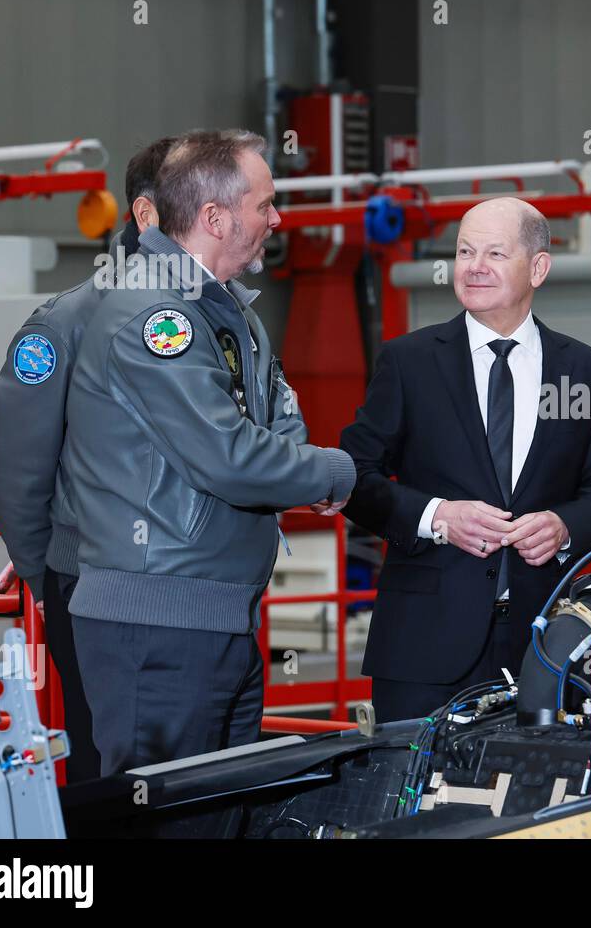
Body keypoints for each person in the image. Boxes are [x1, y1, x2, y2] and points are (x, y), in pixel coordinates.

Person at [60, 129, 351, 774]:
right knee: (168, 819)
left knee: (220, 812)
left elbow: (280, 428)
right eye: (264, 204)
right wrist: (333, 471)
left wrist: (292, 470)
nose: (277, 218)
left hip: (218, 616)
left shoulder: (231, 316)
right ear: (216, 218)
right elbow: (230, 457)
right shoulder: (156, 316)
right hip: (159, 626)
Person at [339, 196, 591, 722]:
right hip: (423, 646)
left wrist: (564, 525)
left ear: (538, 267)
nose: (473, 267)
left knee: (538, 798)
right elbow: (352, 477)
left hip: (543, 644)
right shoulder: (407, 362)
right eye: (464, 251)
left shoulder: (590, 371)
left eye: (494, 253)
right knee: (414, 799)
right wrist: (436, 517)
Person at [0, 136, 178, 783]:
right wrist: (55, 577)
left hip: (203, 598)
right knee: (115, 779)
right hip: (96, 591)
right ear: (147, 216)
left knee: (203, 780)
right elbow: (14, 473)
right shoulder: (67, 323)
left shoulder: (222, 317)